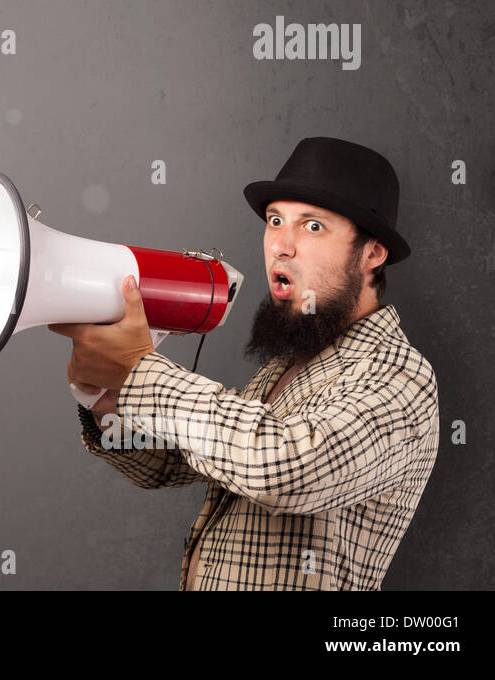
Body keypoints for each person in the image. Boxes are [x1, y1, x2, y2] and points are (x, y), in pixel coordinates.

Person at [50, 137, 439, 590]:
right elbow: (174, 465)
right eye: (275, 221)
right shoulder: (287, 367)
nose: (281, 246)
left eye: (312, 227)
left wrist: (140, 371)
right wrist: (106, 399)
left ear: (372, 253)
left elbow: (285, 471)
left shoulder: (399, 375)